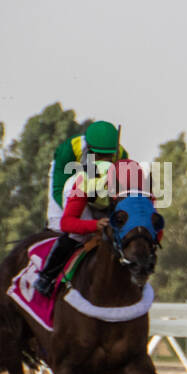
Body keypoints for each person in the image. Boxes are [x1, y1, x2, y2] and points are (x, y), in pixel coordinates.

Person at [33, 121, 128, 297]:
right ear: (90, 150)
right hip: (70, 185)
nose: (104, 160)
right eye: (99, 155)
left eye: (108, 156)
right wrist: (86, 221)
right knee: (72, 231)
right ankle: (46, 277)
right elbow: (60, 195)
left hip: (99, 191)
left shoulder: (122, 156)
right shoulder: (69, 149)